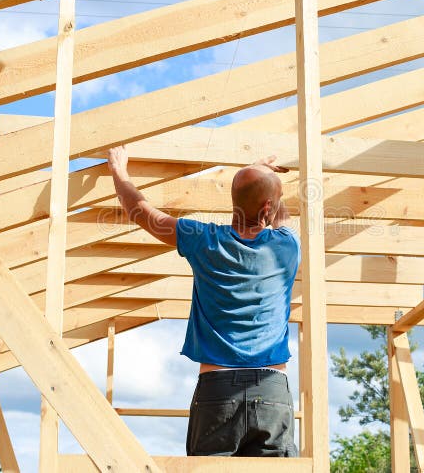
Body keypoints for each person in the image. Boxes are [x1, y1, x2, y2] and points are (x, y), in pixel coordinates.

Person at [107, 146, 300, 457]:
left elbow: (141, 212)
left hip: (217, 388)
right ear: (268, 208)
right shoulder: (287, 247)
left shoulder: (203, 239)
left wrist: (119, 171)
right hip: (272, 388)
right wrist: (261, 178)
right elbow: (278, 216)